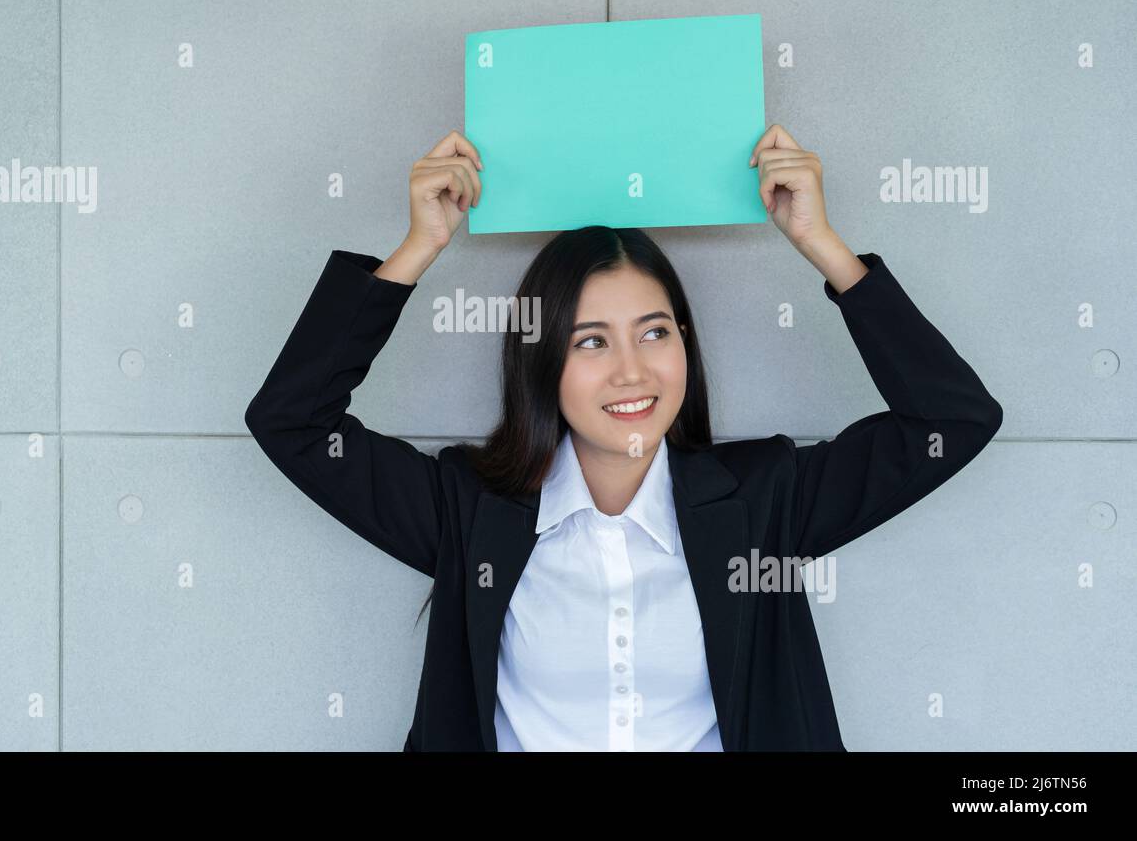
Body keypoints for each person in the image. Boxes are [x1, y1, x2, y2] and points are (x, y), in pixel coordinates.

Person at [244, 124, 1002, 751]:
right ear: (542, 362)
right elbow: (293, 422)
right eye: (591, 342)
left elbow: (953, 422)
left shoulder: (765, 502)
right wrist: (416, 248)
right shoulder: (468, 510)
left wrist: (825, 246)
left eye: (653, 332)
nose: (632, 373)